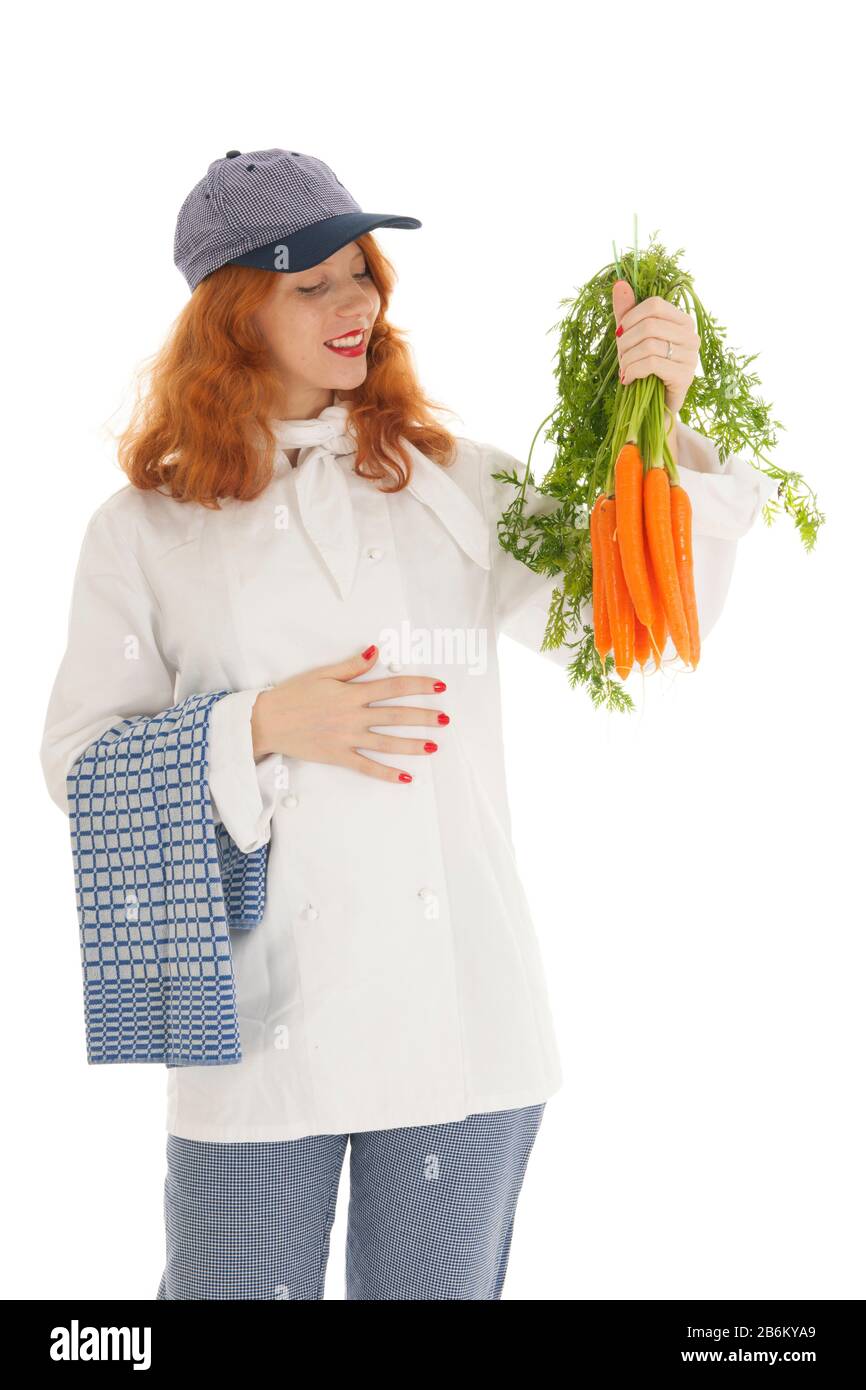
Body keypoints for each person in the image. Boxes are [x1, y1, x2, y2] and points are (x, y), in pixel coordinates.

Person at [39, 148, 774, 1301]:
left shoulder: (446, 482)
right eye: (312, 285)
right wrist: (263, 722)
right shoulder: (144, 529)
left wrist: (662, 426)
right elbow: (81, 769)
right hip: (257, 1037)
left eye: (361, 273)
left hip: (462, 1024)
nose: (359, 306)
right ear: (233, 314)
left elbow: (619, 631)